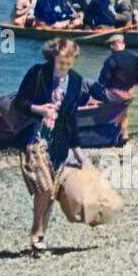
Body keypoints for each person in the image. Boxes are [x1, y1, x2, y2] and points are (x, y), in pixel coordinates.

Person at [11, 38, 96, 254]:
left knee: (51, 192)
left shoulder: (76, 81)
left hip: (59, 143)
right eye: (60, 63)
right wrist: (39, 109)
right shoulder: (37, 73)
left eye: (68, 64)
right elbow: (19, 102)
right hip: (35, 138)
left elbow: (70, 120)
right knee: (45, 188)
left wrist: (80, 155)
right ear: (53, 57)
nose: (64, 68)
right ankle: (36, 233)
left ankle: (39, 239)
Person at [95, 32, 138, 142]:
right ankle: (124, 134)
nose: (110, 49)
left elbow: (102, 80)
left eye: (110, 46)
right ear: (123, 44)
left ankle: (98, 126)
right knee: (123, 109)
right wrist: (130, 90)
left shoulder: (111, 60)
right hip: (129, 95)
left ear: (113, 46)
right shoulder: (136, 59)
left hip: (114, 94)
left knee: (92, 88)